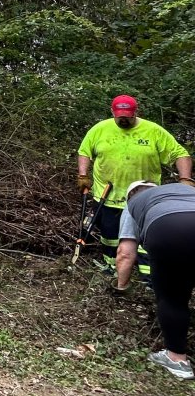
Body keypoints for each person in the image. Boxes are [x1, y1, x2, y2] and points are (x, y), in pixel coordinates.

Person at [78, 95, 192, 276]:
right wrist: (83, 174)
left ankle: (148, 275)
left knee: (147, 238)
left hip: (144, 198)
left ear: (135, 112)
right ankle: (112, 267)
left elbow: (180, 154)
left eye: (128, 116)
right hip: (108, 195)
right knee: (109, 236)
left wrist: (185, 179)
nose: (123, 120)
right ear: (112, 112)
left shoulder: (153, 131)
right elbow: (84, 152)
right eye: (119, 116)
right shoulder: (99, 129)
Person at [112, 180, 195, 381]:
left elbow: (126, 253)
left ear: (131, 195)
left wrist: (121, 287)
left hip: (170, 229)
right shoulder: (184, 189)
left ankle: (176, 358)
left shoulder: (134, 204)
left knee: (173, 296)